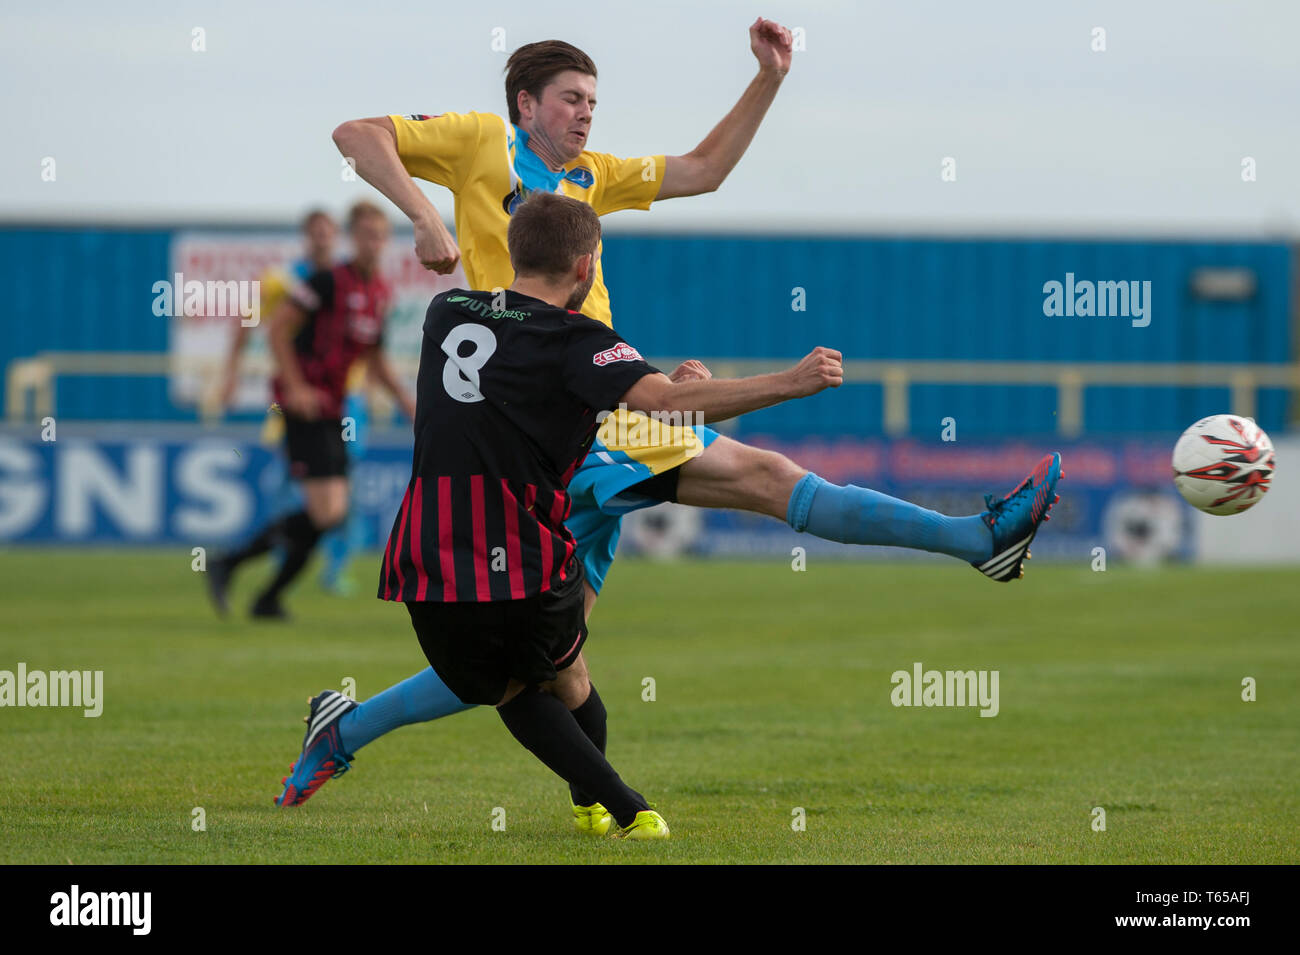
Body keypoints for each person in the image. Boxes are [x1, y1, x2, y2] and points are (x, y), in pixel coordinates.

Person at [276, 28, 1063, 807]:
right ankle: (975, 538)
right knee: (728, 504)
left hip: (598, 399)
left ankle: (343, 732)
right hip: (545, 419)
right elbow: (356, 134)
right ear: (527, 105)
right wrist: (422, 213)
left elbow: (705, 169)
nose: (586, 114)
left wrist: (768, 79)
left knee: (551, 661)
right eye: (571, 99)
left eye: (593, 101)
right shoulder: (481, 142)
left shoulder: (592, 174)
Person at [286, 192, 844, 836]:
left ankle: (591, 804)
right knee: (517, 687)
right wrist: (790, 381)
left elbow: (546, 379)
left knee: (562, 680)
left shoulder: (447, 311)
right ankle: (630, 809)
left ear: (516, 253)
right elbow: (652, 400)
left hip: (428, 539)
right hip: (514, 546)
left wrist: (666, 387)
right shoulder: (578, 340)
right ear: (586, 267)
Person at [208, 201, 416, 619]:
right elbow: (278, 329)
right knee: (327, 511)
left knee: (331, 514)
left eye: (379, 235)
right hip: (303, 406)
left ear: (387, 241)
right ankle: (237, 569)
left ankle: (256, 588)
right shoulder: (325, 282)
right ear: (351, 238)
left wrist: (408, 402)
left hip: (335, 408)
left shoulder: (379, 295)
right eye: (364, 234)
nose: (372, 242)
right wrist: (297, 386)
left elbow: (375, 358)